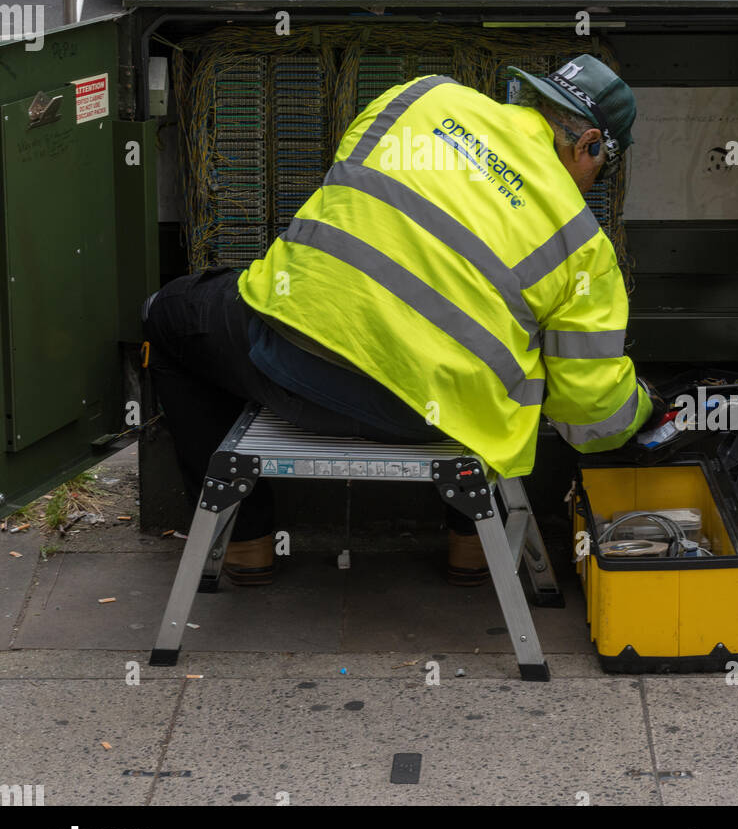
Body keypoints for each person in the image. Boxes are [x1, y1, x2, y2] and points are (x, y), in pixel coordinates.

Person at [142, 56, 653, 586]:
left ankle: (246, 543)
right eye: (601, 166)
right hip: (433, 421)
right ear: (590, 144)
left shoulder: (420, 99)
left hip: (289, 366)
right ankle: (473, 546)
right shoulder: (585, 249)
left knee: (171, 315)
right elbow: (589, 416)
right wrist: (645, 406)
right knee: (514, 357)